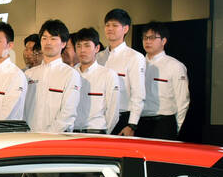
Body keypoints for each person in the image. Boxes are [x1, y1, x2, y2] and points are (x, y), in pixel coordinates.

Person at [26, 19, 81, 133]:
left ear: (63, 43)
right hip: (28, 137)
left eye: (53, 38)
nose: (48, 42)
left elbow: (68, 112)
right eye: (44, 38)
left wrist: (49, 135)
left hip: (56, 139)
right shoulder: (29, 74)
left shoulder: (70, 74)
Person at [98, 8, 146, 136]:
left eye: (115, 25)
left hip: (122, 118)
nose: (109, 28)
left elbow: (138, 93)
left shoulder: (134, 57)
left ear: (125, 29)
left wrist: (132, 124)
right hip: (99, 118)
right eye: (107, 25)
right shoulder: (98, 57)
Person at [139, 22, 189, 140]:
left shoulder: (175, 66)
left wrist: (178, 127)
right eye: (145, 37)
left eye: (152, 38)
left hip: (164, 123)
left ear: (163, 41)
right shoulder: (137, 64)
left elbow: (182, 100)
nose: (147, 41)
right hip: (139, 123)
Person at [70, 27, 118, 134]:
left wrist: (105, 133)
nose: (82, 50)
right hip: (72, 132)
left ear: (97, 48)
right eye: (79, 46)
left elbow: (113, 112)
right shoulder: (70, 74)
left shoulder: (108, 75)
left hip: (96, 132)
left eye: (87, 45)